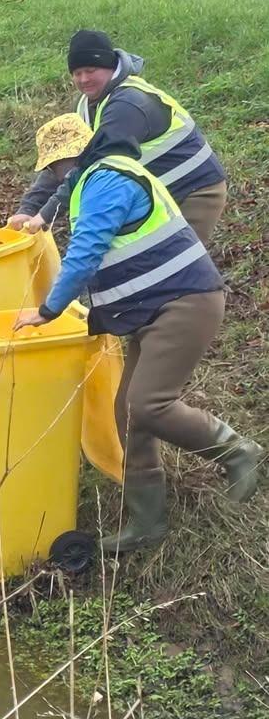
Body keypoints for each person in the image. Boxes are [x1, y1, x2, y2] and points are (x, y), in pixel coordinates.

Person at [14, 114, 263, 553]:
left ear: (66, 159)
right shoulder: (93, 176)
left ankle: (237, 451)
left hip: (182, 304)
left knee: (149, 404)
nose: (54, 174)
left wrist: (47, 309)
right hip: (152, 308)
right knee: (128, 414)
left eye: (54, 166)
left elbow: (87, 251)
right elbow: (71, 206)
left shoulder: (106, 181)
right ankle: (147, 525)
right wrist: (39, 217)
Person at [9, 30, 227, 245]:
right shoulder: (84, 105)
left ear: (110, 67)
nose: (83, 79)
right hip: (156, 193)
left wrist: (47, 214)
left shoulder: (129, 104)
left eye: (90, 70)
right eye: (77, 73)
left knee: (175, 269)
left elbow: (95, 164)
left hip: (193, 190)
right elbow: (63, 158)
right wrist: (29, 209)